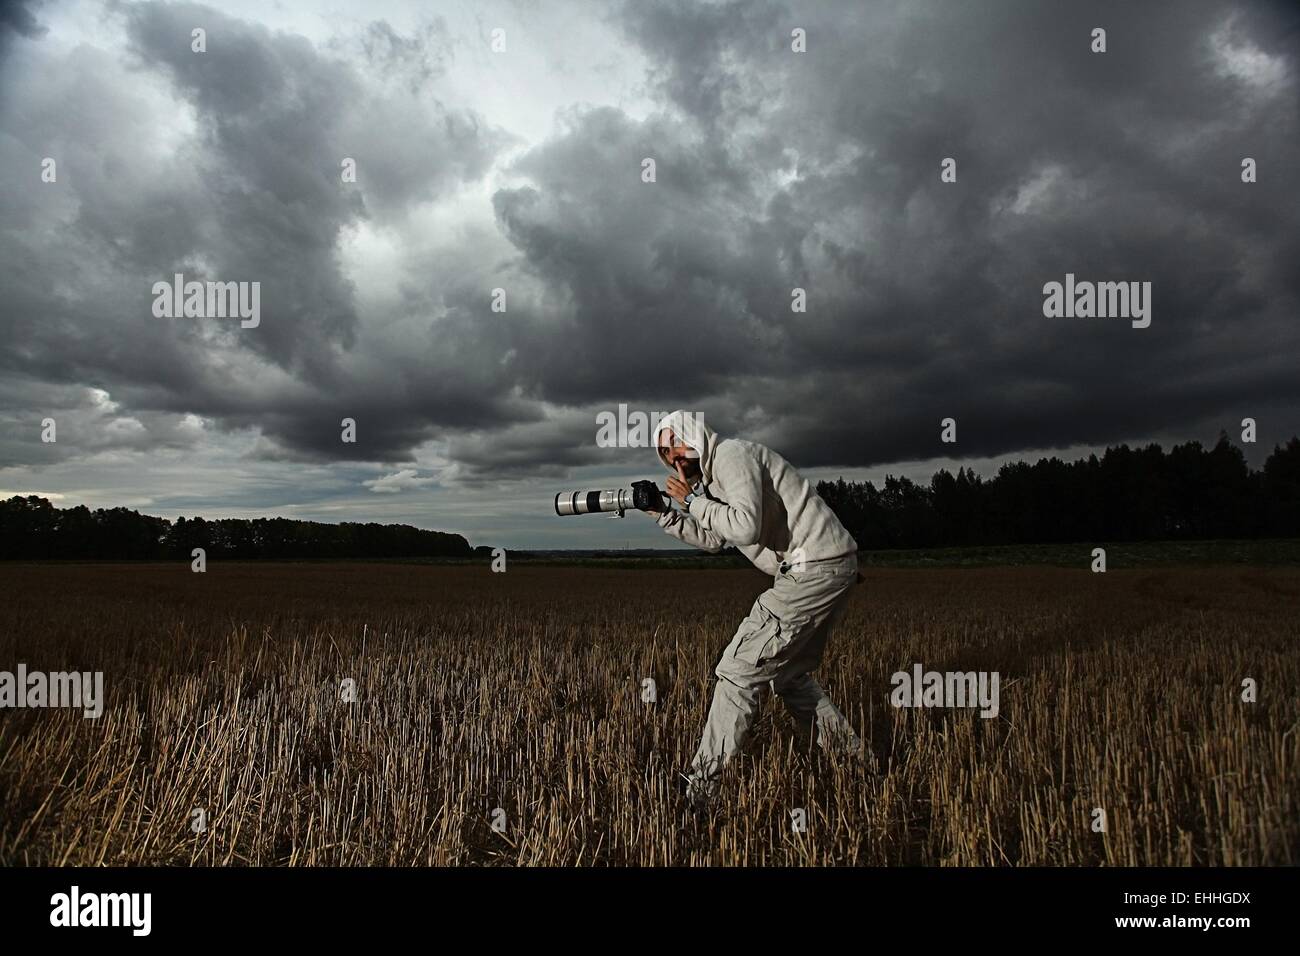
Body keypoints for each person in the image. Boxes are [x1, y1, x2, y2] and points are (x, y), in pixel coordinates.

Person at [643, 410, 864, 803]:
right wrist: (664, 516)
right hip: (828, 566)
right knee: (790, 677)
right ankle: (856, 766)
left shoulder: (730, 456)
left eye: (676, 443)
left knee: (739, 669)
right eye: (665, 452)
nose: (674, 457)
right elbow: (715, 539)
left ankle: (700, 789)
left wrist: (692, 500)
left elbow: (744, 525)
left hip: (811, 567)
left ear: (696, 434)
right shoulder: (712, 480)